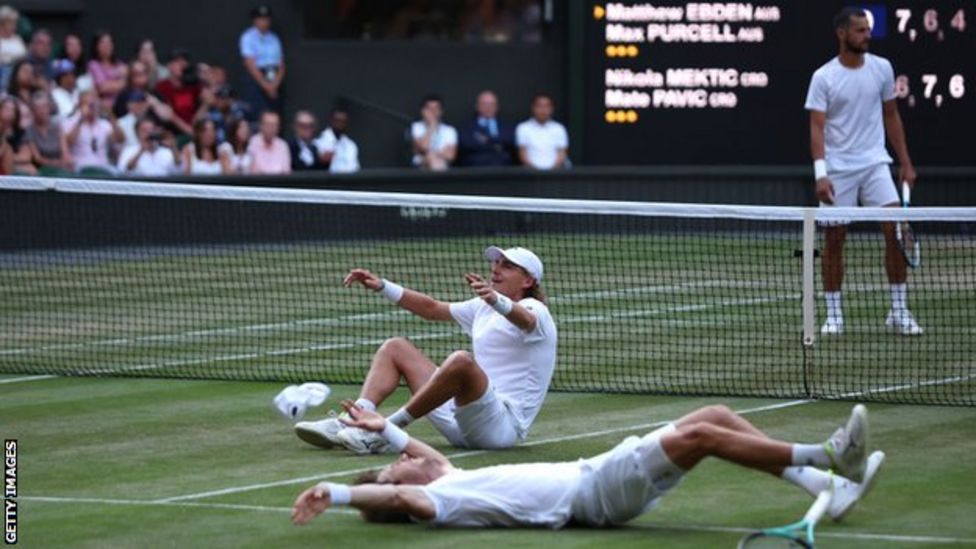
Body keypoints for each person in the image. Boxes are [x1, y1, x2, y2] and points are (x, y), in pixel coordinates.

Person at [293, 402, 885, 529]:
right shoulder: (436, 501)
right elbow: (398, 495)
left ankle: (828, 485)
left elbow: (420, 454)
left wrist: (384, 427)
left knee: (714, 416)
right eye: (394, 466)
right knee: (704, 436)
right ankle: (828, 456)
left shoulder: (445, 474)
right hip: (594, 495)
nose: (404, 461)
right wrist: (338, 492)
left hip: (597, 471)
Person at [294, 245, 557, 455]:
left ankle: (383, 431)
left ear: (527, 280)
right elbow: (431, 308)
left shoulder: (536, 310)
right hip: (460, 417)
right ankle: (351, 420)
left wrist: (495, 299)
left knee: (462, 361)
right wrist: (383, 286)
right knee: (396, 347)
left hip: (499, 429)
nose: (496, 269)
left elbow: (526, 321)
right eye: (496, 263)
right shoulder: (482, 307)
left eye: (507, 266)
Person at [806, 8, 921, 337]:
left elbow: (891, 115)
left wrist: (905, 162)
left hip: (875, 165)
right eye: (860, 30)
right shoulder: (823, 77)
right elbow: (817, 127)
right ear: (842, 34)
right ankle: (834, 316)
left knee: (896, 233)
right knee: (833, 240)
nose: (867, 36)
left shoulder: (882, 68)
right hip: (838, 168)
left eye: (868, 30)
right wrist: (820, 173)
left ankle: (898, 311)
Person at [240, 4, 285, 119]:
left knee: (274, 113)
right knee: (258, 114)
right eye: (260, 19)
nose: (264, 22)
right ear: (254, 20)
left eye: (266, 19)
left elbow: (281, 64)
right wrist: (266, 86)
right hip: (257, 79)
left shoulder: (274, 38)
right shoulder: (248, 37)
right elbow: (250, 64)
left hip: (273, 77)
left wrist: (274, 85)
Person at [63, 90, 124, 174]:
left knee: (118, 173)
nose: (91, 107)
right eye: (87, 104)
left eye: (93, 104)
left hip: (103, 167)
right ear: (80, 105)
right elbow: (69, 142)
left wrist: (111, 116)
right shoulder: (70, 122)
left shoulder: (104, 124)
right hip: (80, 168)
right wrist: (81, 119)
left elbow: (120, 139)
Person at [457, 90, 515, 167]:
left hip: (502, 168)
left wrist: (484, 140)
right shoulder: (466, 127)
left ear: (497, 107)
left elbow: (510, 142)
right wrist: (496, 145)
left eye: (491, 104)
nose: (488, 107)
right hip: (474, 168)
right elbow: (466, 144)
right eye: (484, 104)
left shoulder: (507, 126)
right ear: (477, 106)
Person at [515, 94, 568, 170]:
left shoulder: (559, 128)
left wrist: (552, 172)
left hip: (554, 173)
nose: (543, 110)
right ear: (533, 108)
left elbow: (562, 153)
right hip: (530, 173)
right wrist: (535, 172)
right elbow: (522, 154)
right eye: (539, 106)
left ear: (552, 109)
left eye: (546, 106)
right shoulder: (523, 128)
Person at [154, 49, 198, 136]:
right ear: (169, 65)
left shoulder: (194, 86)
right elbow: (167, 115)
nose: (182, 65)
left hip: (193, 130)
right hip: (172, 133)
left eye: (184, 62)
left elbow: (197, 113)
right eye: (178, 62)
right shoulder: (161, 87)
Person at [26, 91, 71, 174]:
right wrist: (56, 164)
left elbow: (65, 153)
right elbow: (37, 158)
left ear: (49, 108)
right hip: (40, 169)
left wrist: (62, 163)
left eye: (44, 107)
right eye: (38, 108)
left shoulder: (57, 127)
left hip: (60, 167)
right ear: (33, 110)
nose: (42, 111)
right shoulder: (29, 130)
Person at [411, 94, 457, 170]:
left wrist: (434, 154)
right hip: (421, 166)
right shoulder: (416, 127)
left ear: (441, 111)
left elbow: (450, 156)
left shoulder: (450, 130)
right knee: (432, 159)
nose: (433, 112)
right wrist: (432, 126)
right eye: (429, 109)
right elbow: (423, 147)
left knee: (436, 161)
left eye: (436, 109)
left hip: (443, 166)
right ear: (423, 111)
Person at [87, 30, 128, 111]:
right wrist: (123, 81)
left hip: (124, 105)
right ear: (96, 46)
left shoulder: (119, 64)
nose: (107, 46)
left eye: (109, 43)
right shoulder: (93, 65)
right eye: (103, 43)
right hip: (105, 109)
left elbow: (130, 81)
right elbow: (103, 87)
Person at [314, 108, 359, 173]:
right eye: (337, 120)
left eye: (343, 121)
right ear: (331, 121)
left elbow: (355, 168)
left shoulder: (351, 145)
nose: (340, 124)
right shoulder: (318, 142)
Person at [246, 110, 290, 174]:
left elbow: (286, 171)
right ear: (261, 126)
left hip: (279, 179)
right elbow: (251, 170)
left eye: (274, 125)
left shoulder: (283, 145)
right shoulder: (253, 142)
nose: (271, 128)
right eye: (268, 125)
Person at [0, 96, 32, 174]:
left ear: (16, 113)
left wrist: (9, 158)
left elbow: (26, 156)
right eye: (6, 108)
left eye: (12, 109)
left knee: (30, 169)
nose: (9, 112)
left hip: (11, 162)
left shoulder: (20, 132)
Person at [0, 6, 26, 86]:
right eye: (11, 23)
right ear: (2, 23)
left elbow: (24, 56)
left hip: (17, 75)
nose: (14, 26)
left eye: (15, 23)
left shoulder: (17, 39)